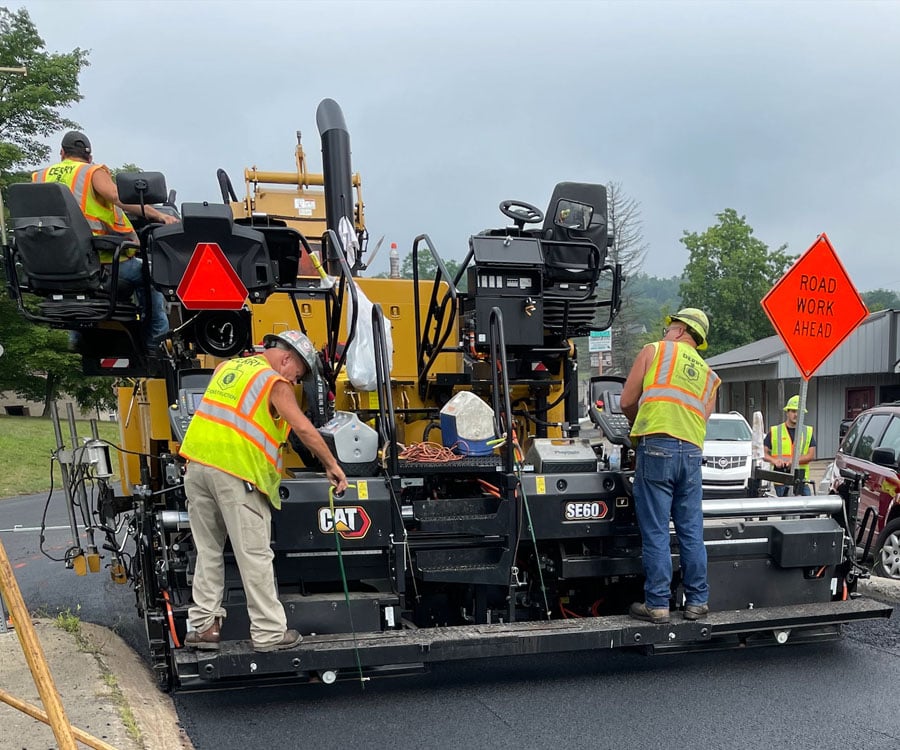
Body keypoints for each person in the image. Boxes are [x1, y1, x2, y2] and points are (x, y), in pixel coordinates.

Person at [179, 330, 348, 652]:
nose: (295, 382)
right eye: (297, 374)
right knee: (254, 556)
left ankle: (205, 628)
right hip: (236, 474)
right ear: (286, 359)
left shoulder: (226, 368)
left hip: (198, 467)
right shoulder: (273, 382)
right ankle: (269, 633)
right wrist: (331, 464)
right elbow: (302, 426)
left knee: (209, 551)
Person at [32, 130, 177, 351]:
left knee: (79, 283)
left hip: (52, 268)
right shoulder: (92, 172)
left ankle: (77, 336)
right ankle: (155, 344)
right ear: (89, 157)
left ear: (61, 153)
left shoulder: (39, 177)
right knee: (151, 276)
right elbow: (117, 197)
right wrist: (159, 215)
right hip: (100, 264)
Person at [620, 308, 720, 625]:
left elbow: (625, 402)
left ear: (678, 330)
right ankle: (697, 602)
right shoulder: (708, 374)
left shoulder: (655, 351)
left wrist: (641, 424)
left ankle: (658, 605)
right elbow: (699, 419)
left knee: (657, 532)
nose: (666, 334)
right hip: (691, 455)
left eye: (668, 329)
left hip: (657, 448)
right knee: (691, 532)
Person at [763, 395, 816, 496]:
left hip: (801, 479)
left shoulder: (807, 431)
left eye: (799, 412)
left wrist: (794, 461)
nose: (796, 415)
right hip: (781, 479)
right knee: (785, 509)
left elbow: (810, 456)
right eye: (793, 411)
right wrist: (774, 461)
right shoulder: (775, 431)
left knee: (807, 509)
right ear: (787, 412)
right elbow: (763, 453)